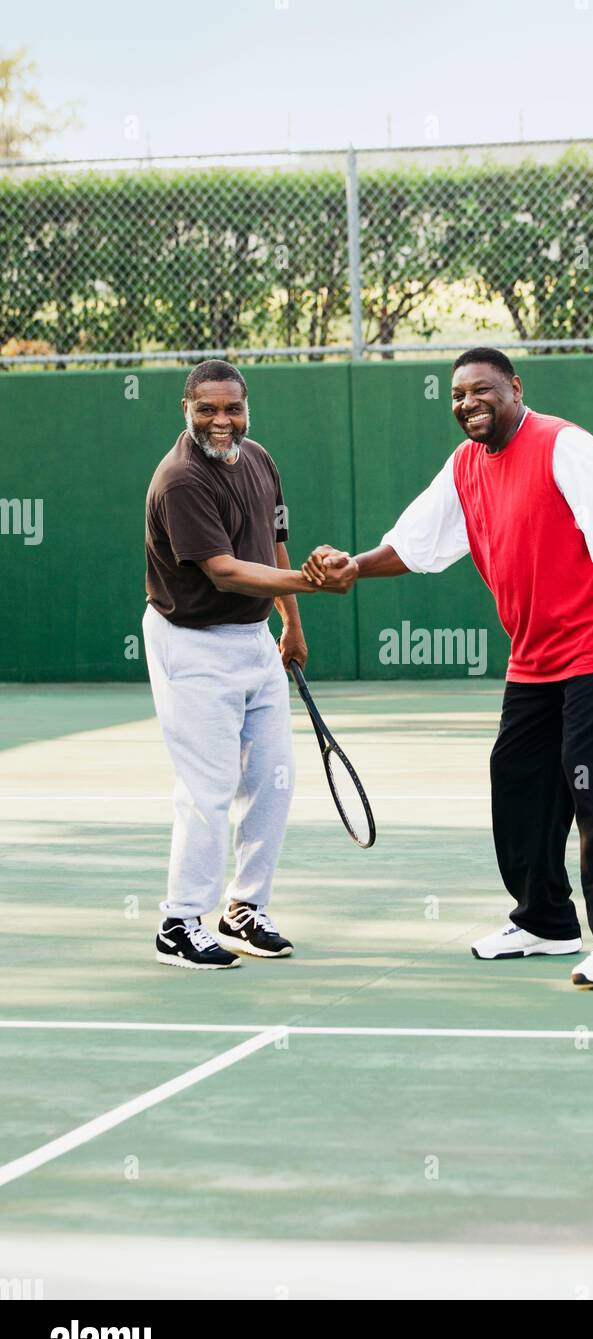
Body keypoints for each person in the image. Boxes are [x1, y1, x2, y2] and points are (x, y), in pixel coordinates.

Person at [302, 348, 593, 985]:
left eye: (481, 390)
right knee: (518, 784)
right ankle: (545, 922)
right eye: (457, 395)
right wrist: (354, 566)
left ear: (514, 387)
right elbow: (414, 544)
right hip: (533, 658)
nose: (467, 403)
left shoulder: (566, 446)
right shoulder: (464, 468)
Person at [143, 359, 353, 970]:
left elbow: (273, 541)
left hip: (255, 638)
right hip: (191, 645)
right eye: (207, 408)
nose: (220, 420)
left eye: (231, 408)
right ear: (186, 409)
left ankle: (244, 909)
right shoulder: (180, 479)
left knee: (270, 781)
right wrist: (314, 584)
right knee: (207, 790)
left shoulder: (259, 459)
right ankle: (179, 923)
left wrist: (292, 620)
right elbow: (226, 571)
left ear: (246, 408)